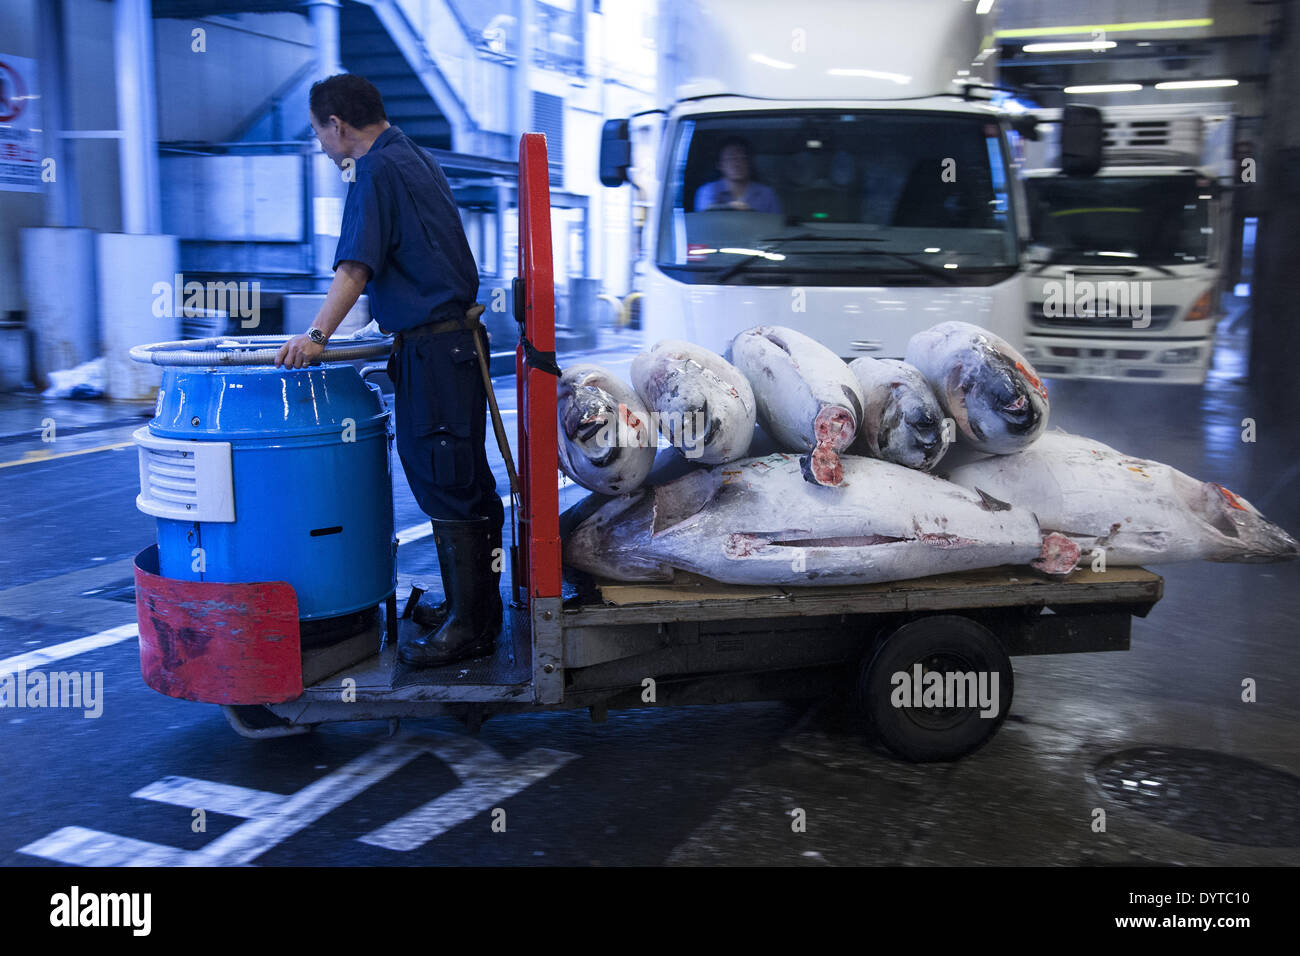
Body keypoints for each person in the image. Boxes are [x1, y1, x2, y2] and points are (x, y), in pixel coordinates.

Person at [275, 73, 503, 668]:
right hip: (452, 345)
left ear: (337, 125)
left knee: (444, 474)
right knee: (463, 474)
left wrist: (316, 337)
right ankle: (473, 610)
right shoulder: (413, 155)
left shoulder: (375, 170)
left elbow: (355, 267)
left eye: (319, 132)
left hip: (434, 348)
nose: (322, 145)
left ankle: (469, 629)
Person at [693, 136, 781, 213]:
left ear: (750, 162)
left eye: (743, 158)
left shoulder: (766, 193)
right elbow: (706, 220)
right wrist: (730, 208)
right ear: (719, 165)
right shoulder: (708, 191)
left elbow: (776, 225)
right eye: (731, 158)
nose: (737, 163)